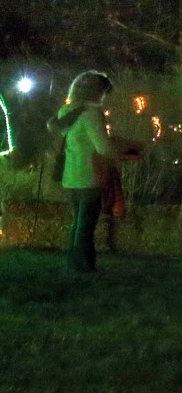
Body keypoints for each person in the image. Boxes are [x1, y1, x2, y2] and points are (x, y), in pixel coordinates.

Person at [52, 71, 124, 274]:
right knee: (86, 225)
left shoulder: (66, 111)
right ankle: (85, 265)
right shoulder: (92, 114)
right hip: (90, 174)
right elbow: (103, 147)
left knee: (77, 222)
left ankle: (73, 262)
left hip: (71, 175)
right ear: (97, 91)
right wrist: (120, 149)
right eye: (104, 92)